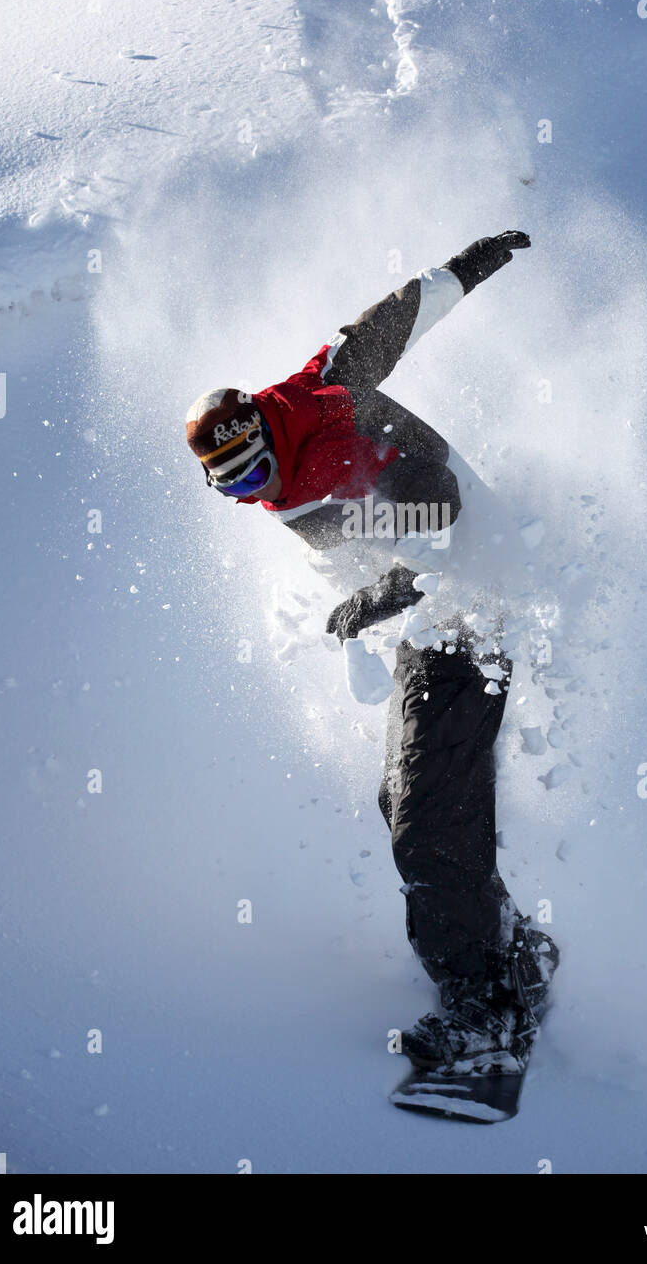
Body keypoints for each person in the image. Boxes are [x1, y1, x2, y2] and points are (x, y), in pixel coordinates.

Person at [185, 231, 558, 1065]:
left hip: (477, 608)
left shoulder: (328, 452)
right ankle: (514, 958)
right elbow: (390, 321)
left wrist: (372, 599)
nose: (259, 489)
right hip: (444, 617)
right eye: (234, 484)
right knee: (408, 804)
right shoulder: (304, 395)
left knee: (425, 825)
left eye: (256, 470)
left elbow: (439, 507)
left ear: (267, 441)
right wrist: (465, 267)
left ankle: (485, 1010)